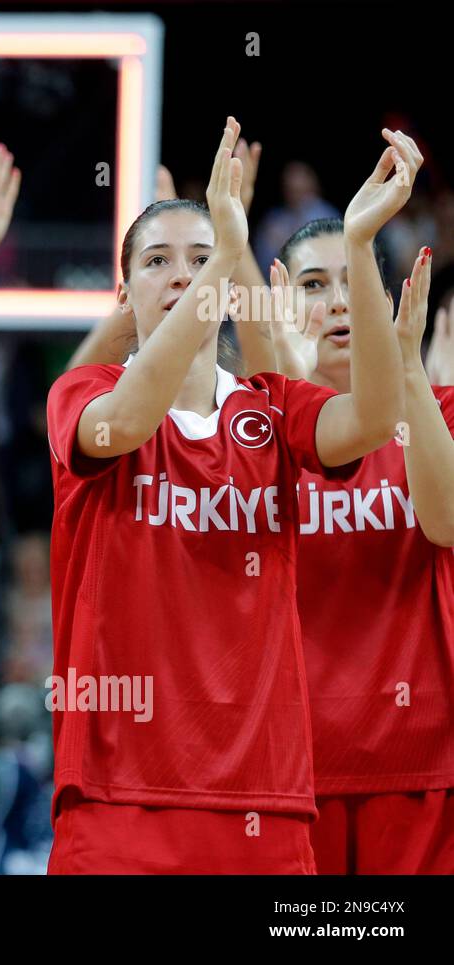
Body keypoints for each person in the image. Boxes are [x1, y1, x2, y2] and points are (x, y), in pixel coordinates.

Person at [44, 120, 411, 873]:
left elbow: (373, 417)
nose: (182, 273)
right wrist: (222, 261)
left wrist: (363, 248)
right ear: (122, 292)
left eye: (199, 258)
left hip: (265, 801)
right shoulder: (84, 392)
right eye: (158, 261)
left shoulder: (272, 406)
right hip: (118, 799)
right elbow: (125, 423)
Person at [264, 205, 454, 874]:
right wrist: (289, 366)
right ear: (281, 297)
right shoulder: (252, 429)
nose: (340, 302)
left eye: (356, 280)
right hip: (287, 772)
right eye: (314, 284)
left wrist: (406, 369)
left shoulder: (439, 410)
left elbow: (448, 520)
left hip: (422, 766)